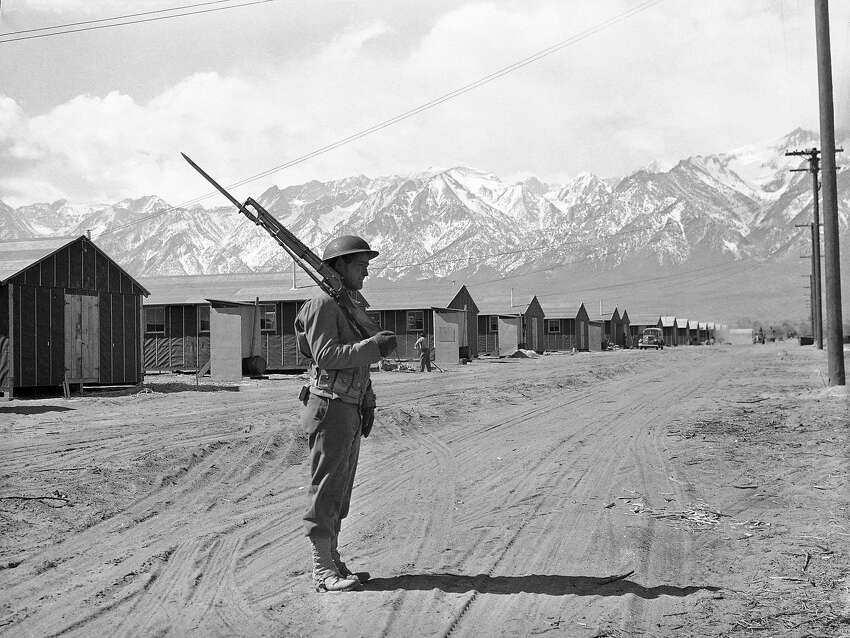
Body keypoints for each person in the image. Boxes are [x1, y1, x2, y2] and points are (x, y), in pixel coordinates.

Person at [295, 235, 397, 593]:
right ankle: (322, 570)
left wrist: (367, 398)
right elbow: (327, 356)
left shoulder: (348, 304)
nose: (366, 273)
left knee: (340, 491)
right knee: (325, 490)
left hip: (348, 406)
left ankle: (334, 560)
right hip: (330, 406)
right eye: (360, 266)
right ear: (338, 266)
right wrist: (373, 347)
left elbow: (357, 367)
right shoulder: (324, 304)